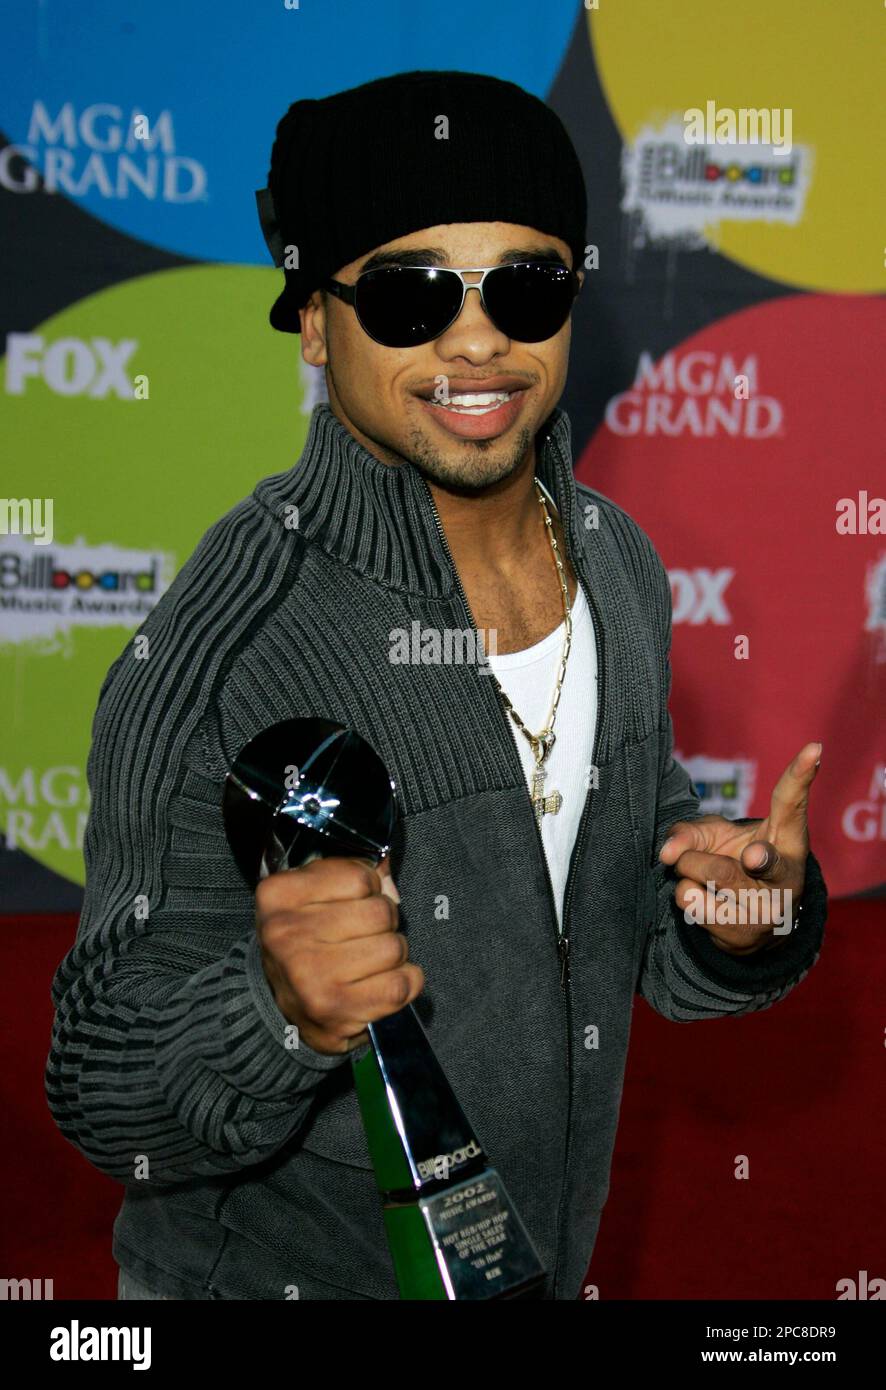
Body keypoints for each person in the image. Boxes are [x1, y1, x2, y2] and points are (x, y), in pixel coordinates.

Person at [45, 70, 828, 1302]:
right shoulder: (229, 641)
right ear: (314, 320)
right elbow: (97, 1077)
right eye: (410, 294)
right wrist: (277, 1012)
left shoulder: (616, 560)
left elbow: (633, 920)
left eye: (525, 284)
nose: (477, 340)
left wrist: (734, 917)